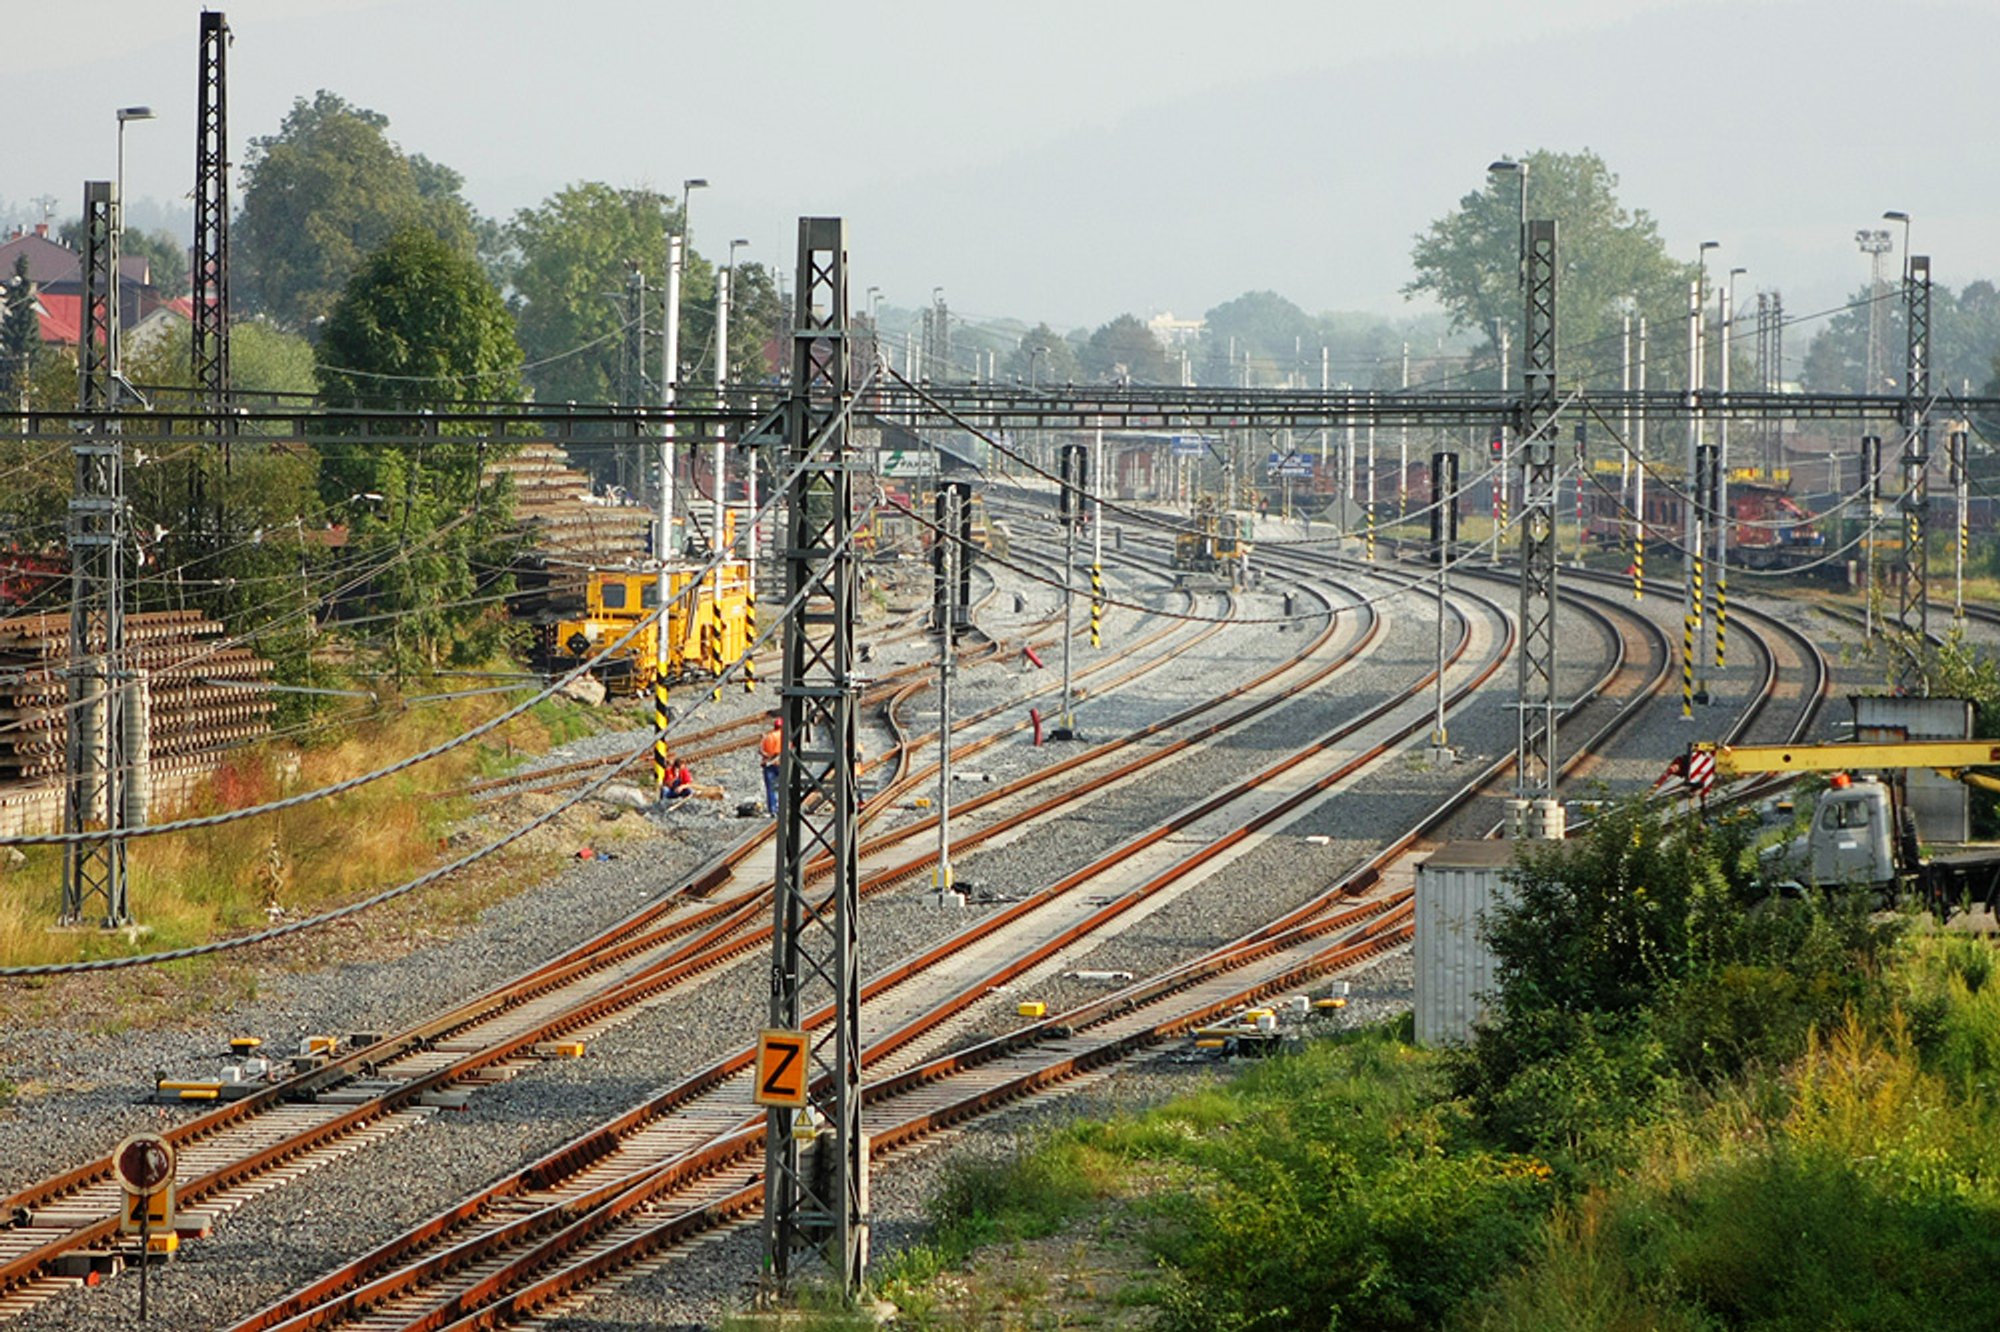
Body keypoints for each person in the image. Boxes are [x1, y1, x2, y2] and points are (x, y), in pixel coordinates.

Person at [760, 713, 783, 816]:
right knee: (784, 786)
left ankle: (772, 809)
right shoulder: (785, 736)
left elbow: (762, 751)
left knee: (770, 788)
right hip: (782, 764)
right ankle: (783, 807)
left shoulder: (768, 737)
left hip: (769, 765)